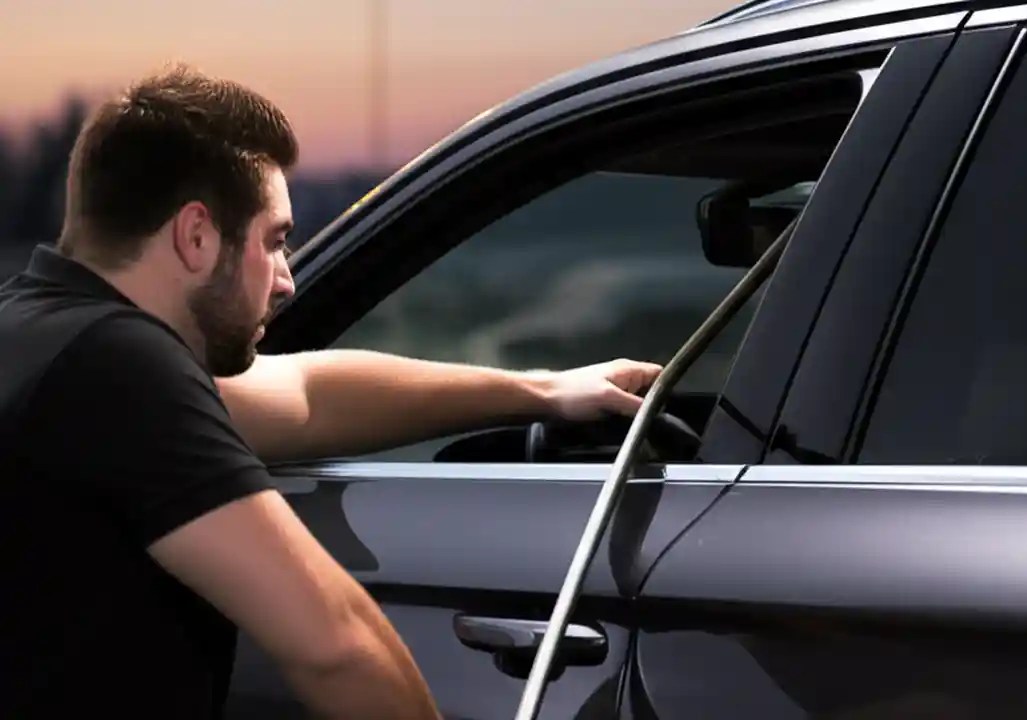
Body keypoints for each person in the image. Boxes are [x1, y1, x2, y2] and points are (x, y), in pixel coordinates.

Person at [0, 64, 661, 719]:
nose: (286, 281)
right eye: (275, 241)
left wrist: (545, 390)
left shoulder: (39, 334)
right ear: (196, 236)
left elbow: (309, 395)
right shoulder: (123, 367)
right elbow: (336, 646)